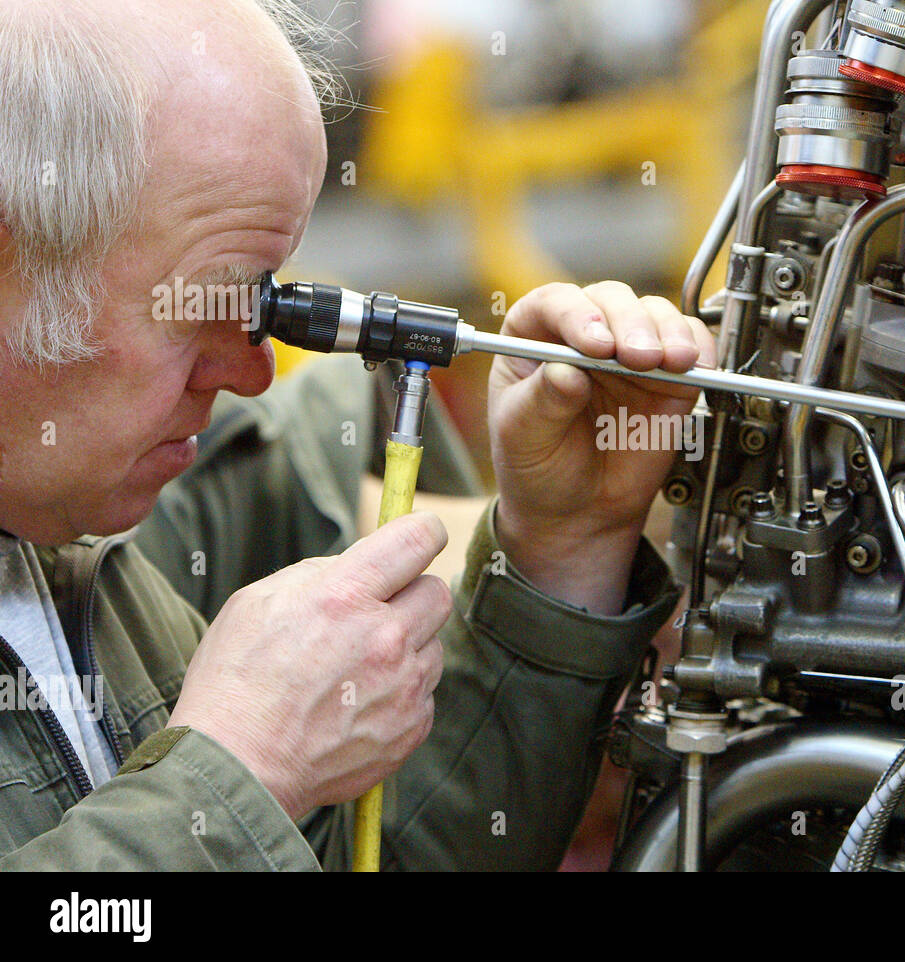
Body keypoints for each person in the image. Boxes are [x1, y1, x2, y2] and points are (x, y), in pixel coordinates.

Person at [0, 0, 713, 869]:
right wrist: (235, 772)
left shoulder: (68, 565)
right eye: (204, 302)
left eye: (259, 304)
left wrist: (560, 553)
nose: (253, 373)